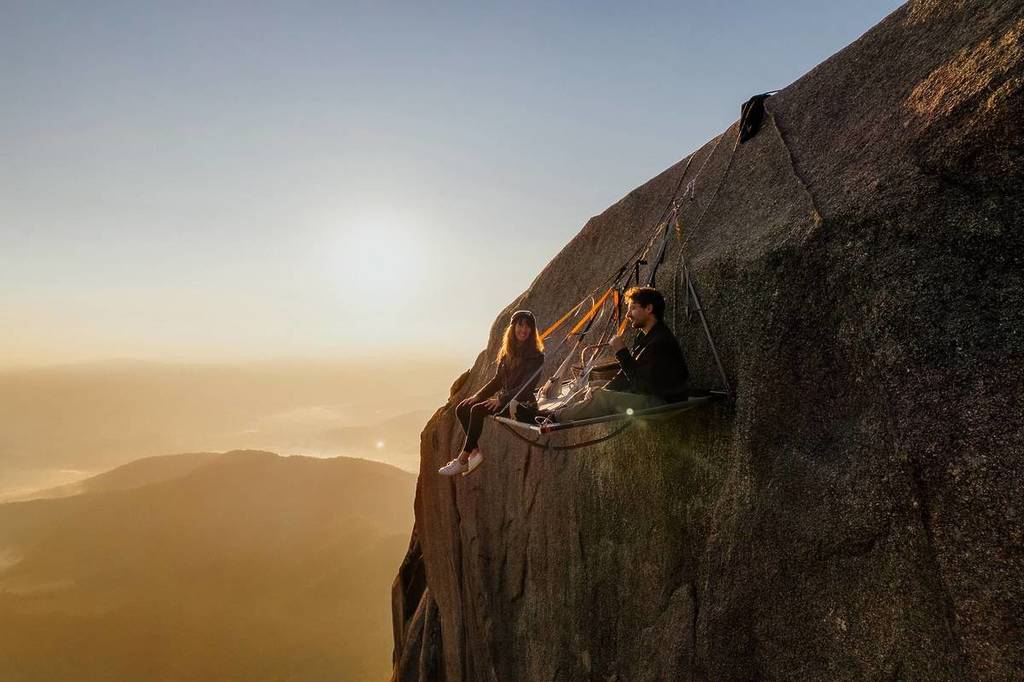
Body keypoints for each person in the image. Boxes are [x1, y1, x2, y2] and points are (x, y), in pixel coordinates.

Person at [549, 286, 688, 423]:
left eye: (633, 308)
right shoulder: (644, 337)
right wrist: (602, 388)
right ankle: (556, 411)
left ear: (649, 309)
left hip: (663, 402)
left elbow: (642, 384)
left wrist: (621, 352)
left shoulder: (661, 342)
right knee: (592, 386)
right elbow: (627, 376)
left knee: (602, 398)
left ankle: (552, 418)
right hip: (647, 393)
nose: (627, 315)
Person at [439, 309, 545, 476]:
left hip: (523, 406)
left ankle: (462, 460)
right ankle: (474, 454)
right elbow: (497, 381)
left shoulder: (536, 356)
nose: (524, 330)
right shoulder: (507, 354)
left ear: (532, 331)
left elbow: (528, 387)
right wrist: (478, 396)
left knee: (477, 410)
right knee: (462, 408)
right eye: (520, 325)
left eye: (528, 327)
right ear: (513, 328)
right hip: (508, 402)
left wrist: (501, 400)